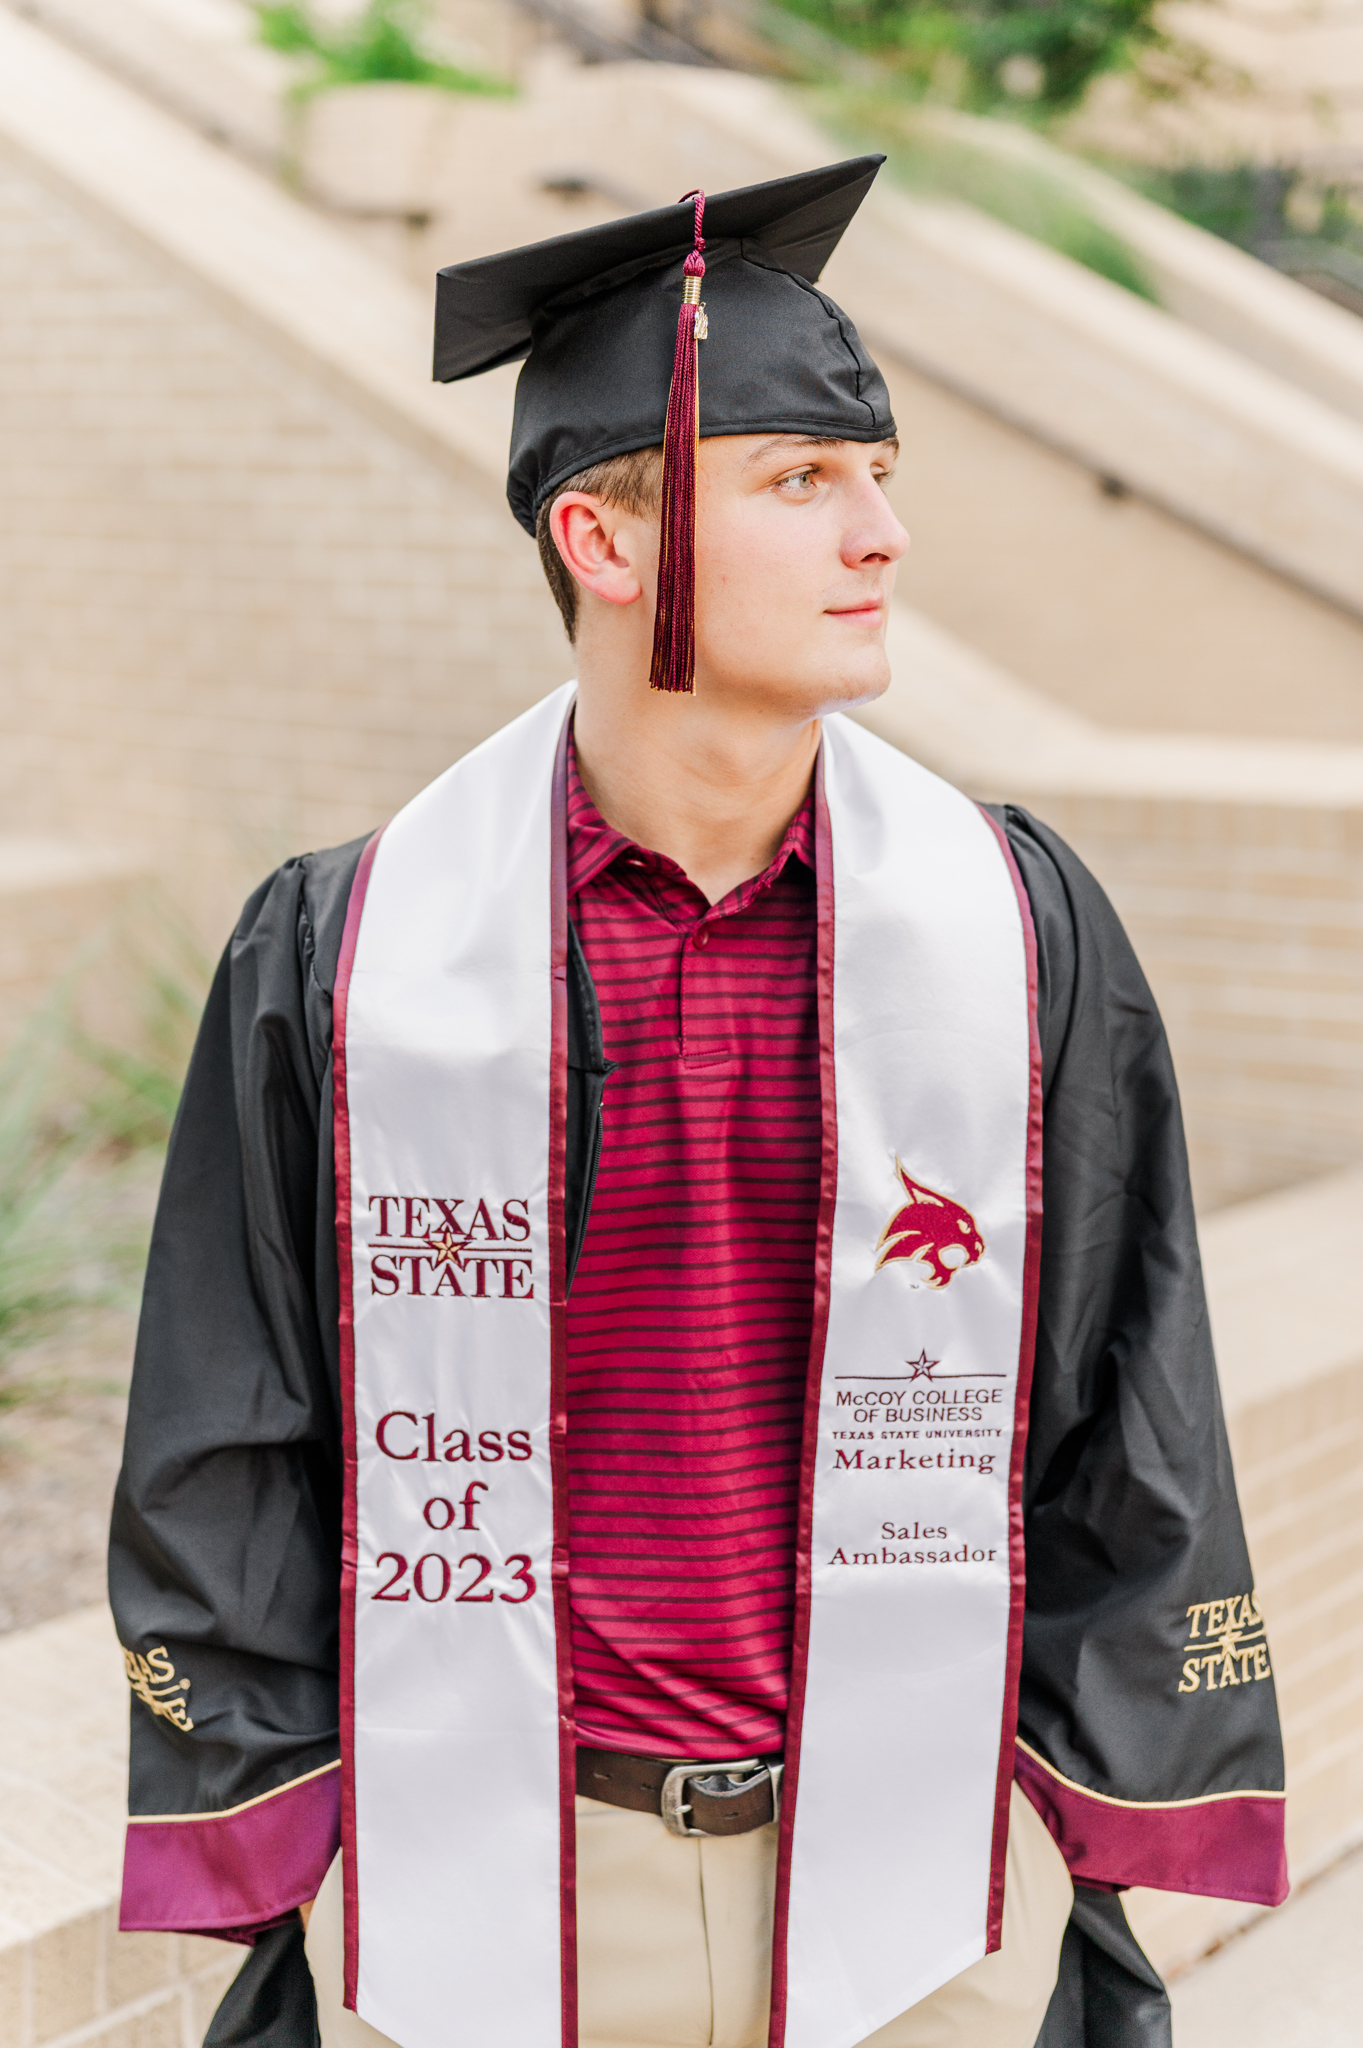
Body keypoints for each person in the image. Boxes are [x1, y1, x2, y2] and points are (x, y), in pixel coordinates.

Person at [110, 158, 1286, 2048]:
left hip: (923, 1906)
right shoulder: (346, 954)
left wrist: (1108, 1832)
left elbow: (1125, 1403)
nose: (881, 533)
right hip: (495, 1893)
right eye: (801, 479)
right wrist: (258, 1856)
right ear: (603, 539)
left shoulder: (1012, 928)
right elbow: (229, 1437)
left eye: (880, 473)